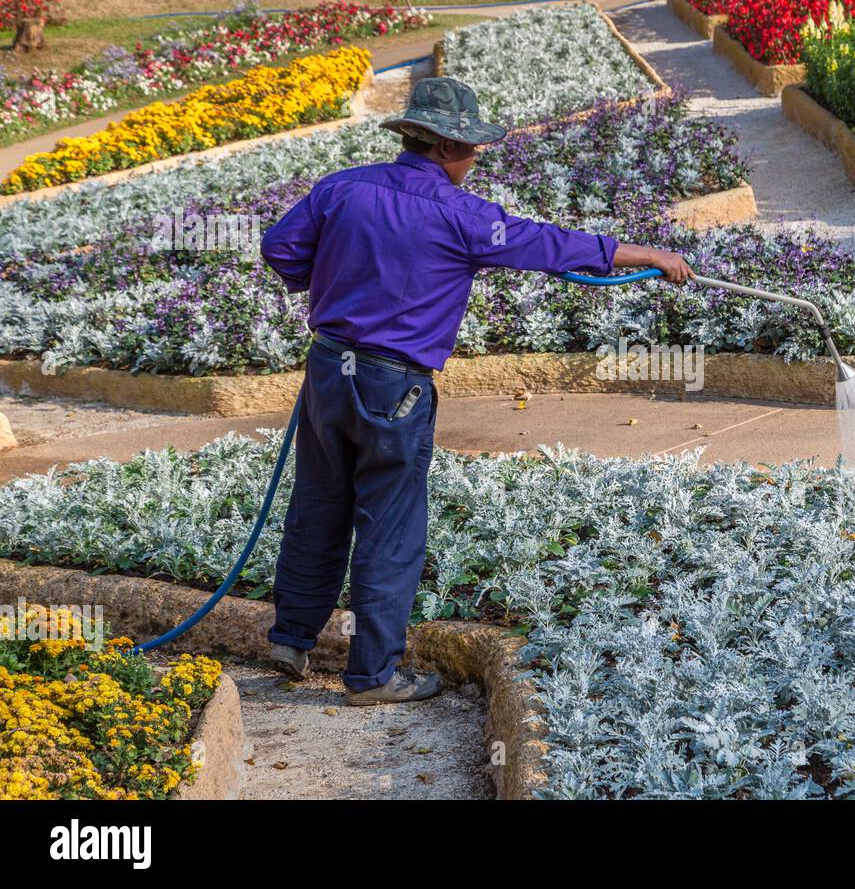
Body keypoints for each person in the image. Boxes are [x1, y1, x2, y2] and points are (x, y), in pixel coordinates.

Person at [259, 77, 694, 705]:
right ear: (443, 146)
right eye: (471, 148)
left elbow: (281, 250)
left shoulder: (342, 187)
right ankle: (372, 676)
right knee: (389, 525)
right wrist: (648, 253)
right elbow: (551, 245)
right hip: (395, 385)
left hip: (327, 371)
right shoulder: (464, 215)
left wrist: (331, 278)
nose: (475, 160)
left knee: (318, 503)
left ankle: (292, 638)